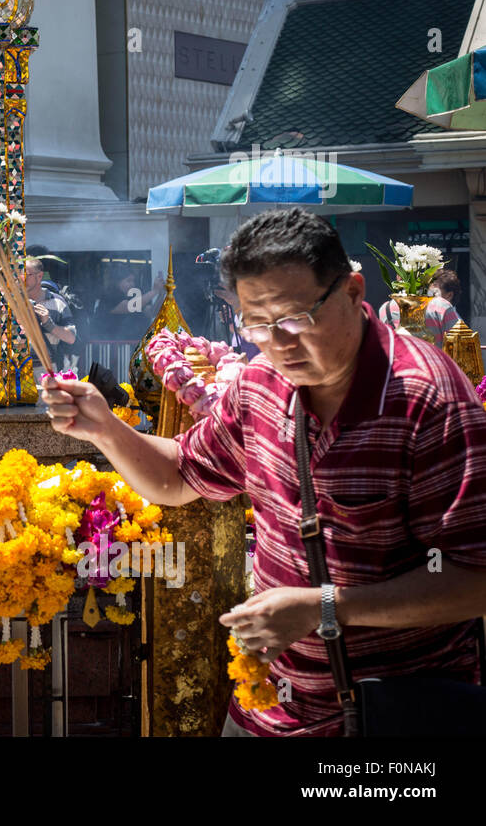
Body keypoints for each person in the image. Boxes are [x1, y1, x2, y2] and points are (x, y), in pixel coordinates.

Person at [41, 208, 486, 737]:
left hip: (392, 715)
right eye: (257, 324)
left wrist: (326, 607)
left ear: (351, 290)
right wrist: (105, 428)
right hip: (266, 710)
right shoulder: (258, 385)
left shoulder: (425, 399)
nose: (279, 343)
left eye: (296, 318)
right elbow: (181, 476)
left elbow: (473, 578)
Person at [378, 267, 462, 348]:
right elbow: (457, 349)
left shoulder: (385, 309)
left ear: (398, 277)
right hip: (433, 361)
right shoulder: (442, 306)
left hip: (402, 361)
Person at [22, 257, 76, 372]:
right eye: (17, 274)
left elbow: (71, 338)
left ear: (39, 276)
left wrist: (48, 324)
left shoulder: (57, 302)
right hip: (18, 370)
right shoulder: (10, 302)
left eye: (26, 274)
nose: (21, 278)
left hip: (47, 369)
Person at [92, 266, 165, 341]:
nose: (132, 284)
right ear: (117, 282)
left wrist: (161, 295)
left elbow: (151, 312)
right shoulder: (108, 297)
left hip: (129, 345)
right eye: (128, 281)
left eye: (133, 281)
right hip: (107, 345)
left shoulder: (132, 296)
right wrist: (155, 291)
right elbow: (129, 307)